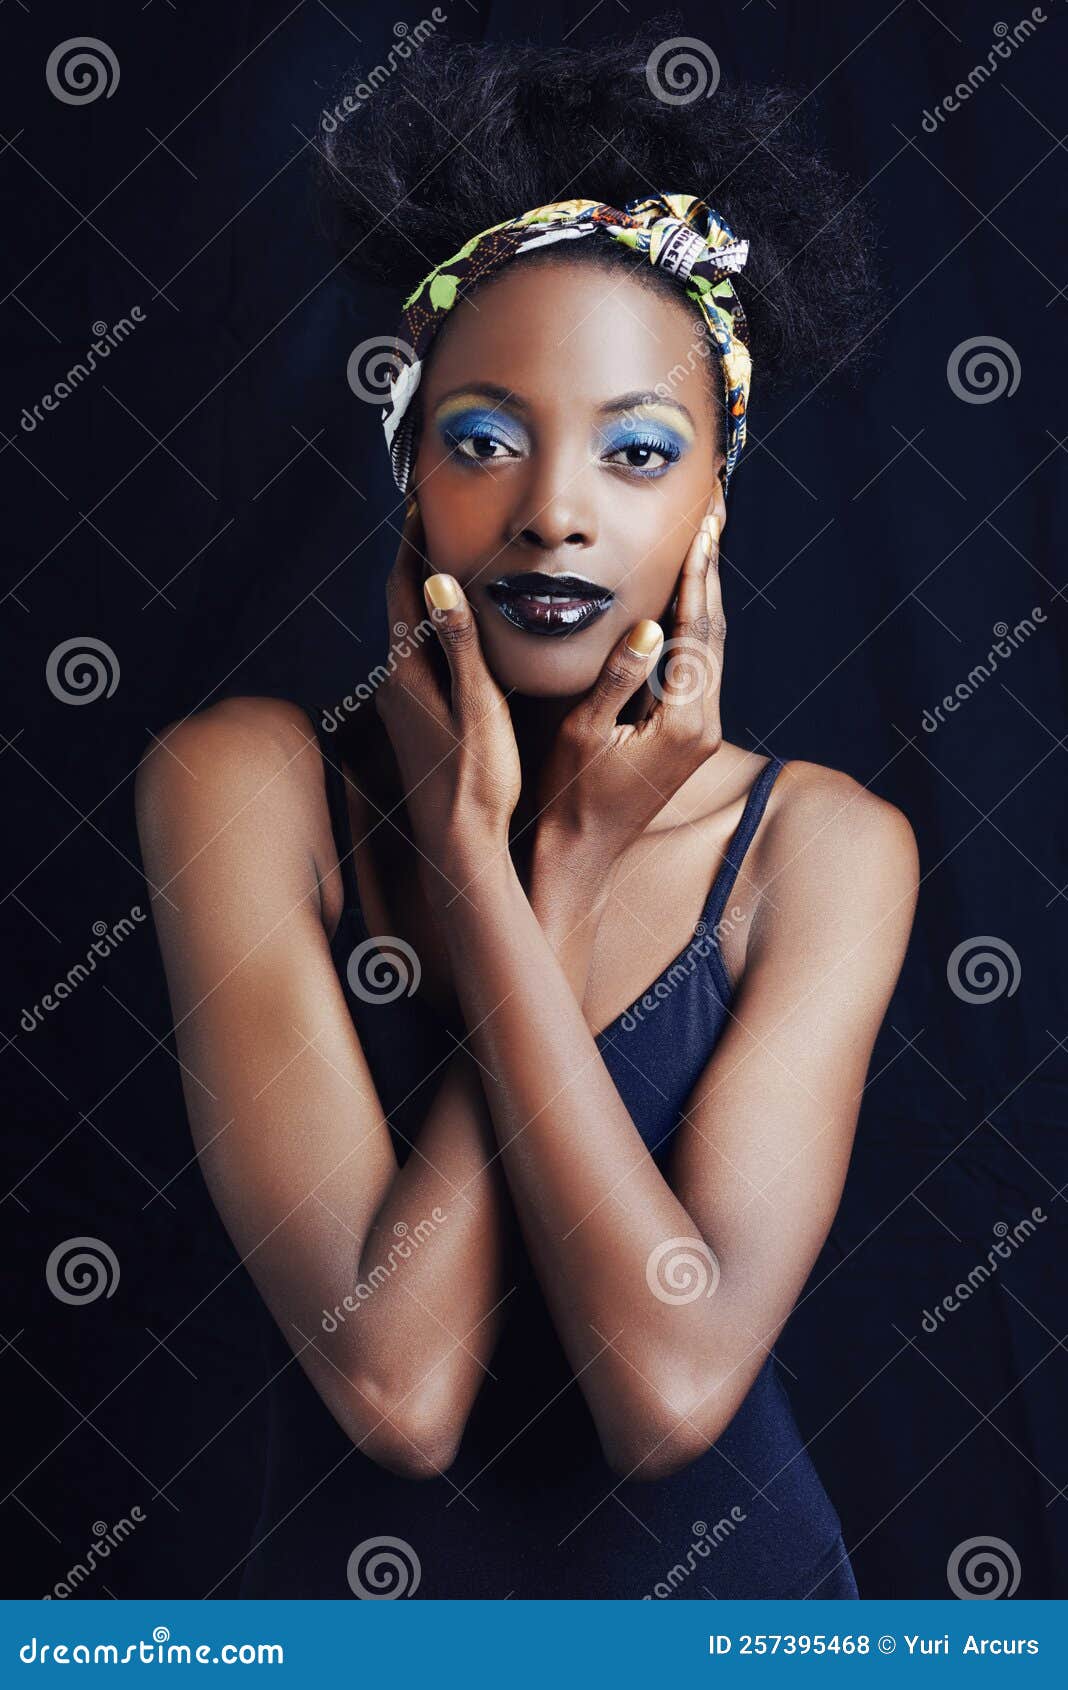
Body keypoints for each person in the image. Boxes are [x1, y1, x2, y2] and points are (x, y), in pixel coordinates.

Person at [135, 32, 918, 1599]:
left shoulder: (822, 847)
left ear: (714, 499)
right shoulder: (243, 784)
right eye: (483, 437)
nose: (554, 505)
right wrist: (515, 878)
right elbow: (397, 1389)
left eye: (639, 451)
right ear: (409, 468)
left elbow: (670, 1393)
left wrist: (535, 876)